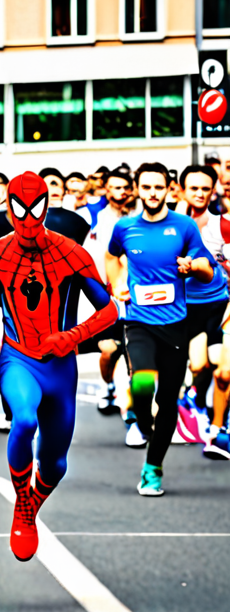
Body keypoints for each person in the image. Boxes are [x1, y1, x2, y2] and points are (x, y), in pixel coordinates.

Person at [0, 171, 118, 562]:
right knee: (24, 419)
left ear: (47, 209)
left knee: (55, 462)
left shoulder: (73, 253)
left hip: (61, 364)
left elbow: (109, 309)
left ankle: (32, 505)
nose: (29, 221)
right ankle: (23, 505)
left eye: (37, 212)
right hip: (18, 357)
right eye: (21, 213)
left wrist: (73, 336)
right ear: (11, 212)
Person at [106, 162, 215, 497]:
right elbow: (111, 258)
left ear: (169, 189)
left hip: (175, 324)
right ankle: (141, 419)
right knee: (141, 380)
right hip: (138, 319)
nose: (152, 193)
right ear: (137, 189)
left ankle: (153, 468)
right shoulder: (124, 227)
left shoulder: (183, 226)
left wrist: (192, 266)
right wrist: (117, 283)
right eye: (146, 187)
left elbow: (207, 271)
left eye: (159, 187)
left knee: (167, 400)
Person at [176, 165, 230, 459]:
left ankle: (215, 422)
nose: (199, 193)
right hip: (182, 306)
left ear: (213, 191)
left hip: (218, 304)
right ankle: (196, 405)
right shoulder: (168, 223)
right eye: (193, 188)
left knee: (218, 367)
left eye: (204, 188)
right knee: (198, 366)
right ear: (182, 189)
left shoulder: (222, 226)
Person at [84, 168, 140, 426]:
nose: (121, 192)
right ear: (107, 190)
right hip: (107, 298)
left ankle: (133, 413)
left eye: (125, 187)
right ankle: (107, 385)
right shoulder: (95, 219)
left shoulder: (141, 215)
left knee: (133, 355)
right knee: (108, 350)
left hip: (139, 298)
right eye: (115, 187)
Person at [39, 168, 90, 245]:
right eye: (51, 184)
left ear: (64, 190)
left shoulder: (77, 220)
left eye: (55, 184)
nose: (54, 189)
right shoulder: (26, 218)